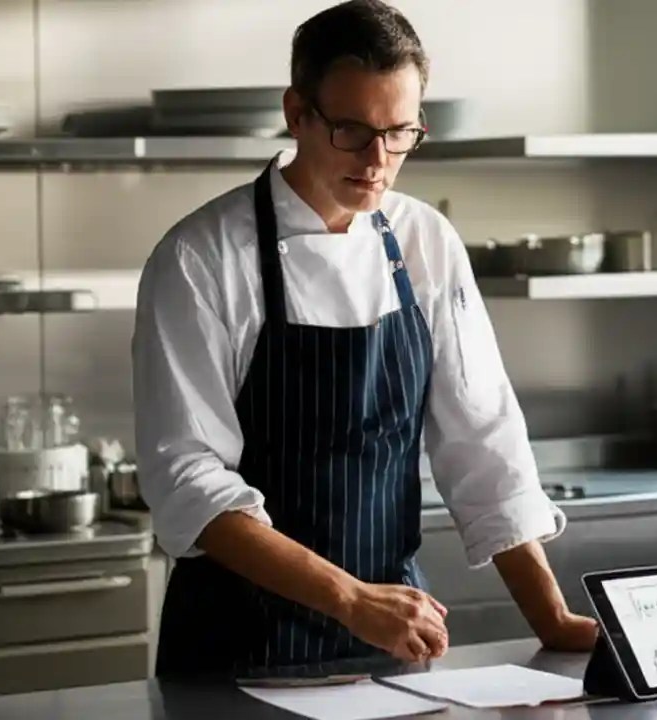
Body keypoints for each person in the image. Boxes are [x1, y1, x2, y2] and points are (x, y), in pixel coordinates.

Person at [132, 0, 597, 677]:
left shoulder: (424, 240)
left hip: (393, 635)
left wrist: (551, 619)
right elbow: (188, 483)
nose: (378, 160)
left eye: (400, 132)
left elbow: (483, 440)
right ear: (298, 114)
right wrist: (350, 599)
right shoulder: (201, 258)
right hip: (238, 644)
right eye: (352, 131)